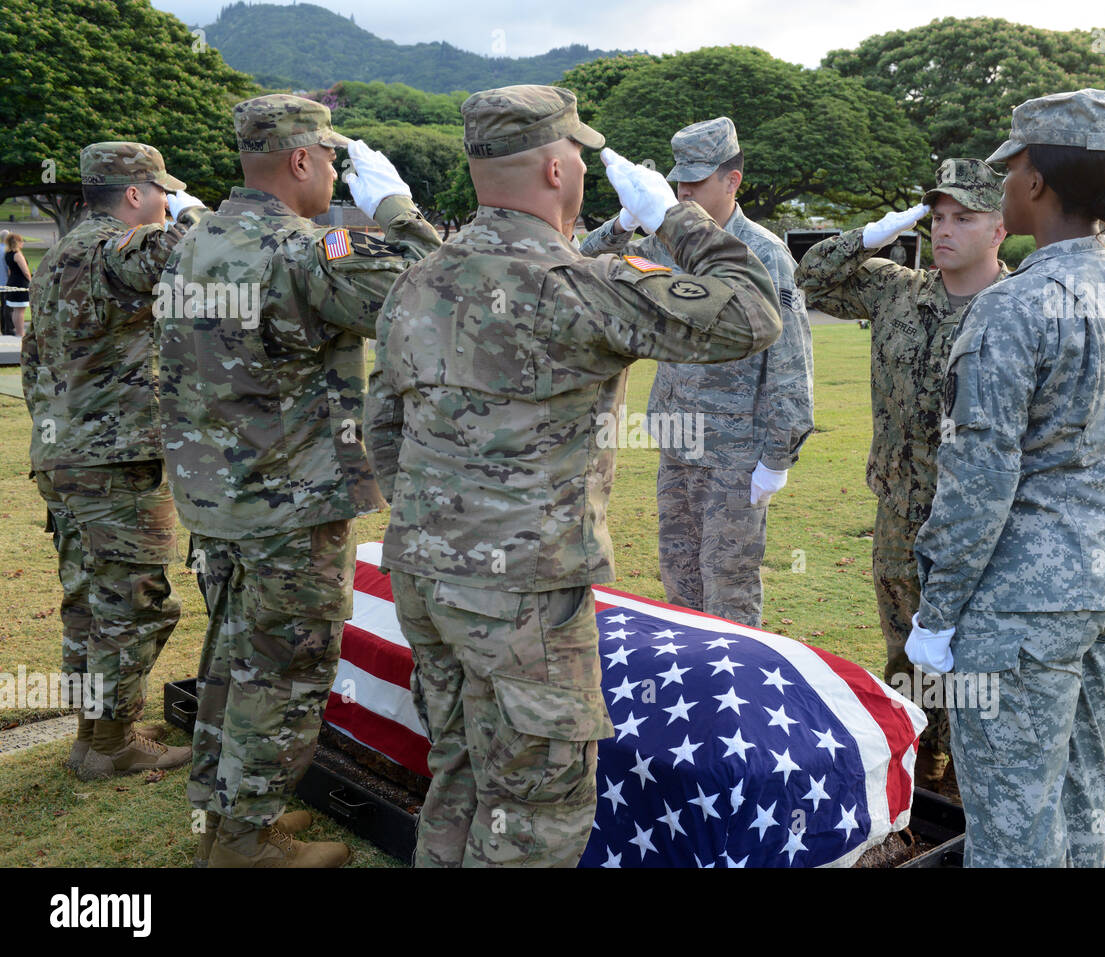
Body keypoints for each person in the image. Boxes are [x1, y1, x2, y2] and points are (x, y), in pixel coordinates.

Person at [365, 84, 782, 867]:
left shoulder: (418, 280)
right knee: (537, 810)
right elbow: (752, 312)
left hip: (424, 572)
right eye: (579, 157)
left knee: (457, 772)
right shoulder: (580, 286)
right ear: (557, 171)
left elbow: (384, 429)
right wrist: (674, 218)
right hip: (525, 594)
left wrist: (443, 528)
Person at [157, 94, 441, 868]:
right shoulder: (302, 250)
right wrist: (398, 210)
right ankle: (245, 843)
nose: (333, 177)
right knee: (282, 673)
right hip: (290, 501)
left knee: (235, 658)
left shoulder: (194, 239)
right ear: (302, 160)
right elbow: (441, 295)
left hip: (219, 497)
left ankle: (224, 821)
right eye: (330, 161)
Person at [907, 89, 1105, 867]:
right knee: (1083, 792)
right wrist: (1099, 538)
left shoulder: (1011, 307)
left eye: (1015, 163)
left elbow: (977, 482)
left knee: (1013, 822)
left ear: (1040, 182)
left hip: (1021, 604)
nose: (1008, 178)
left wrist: (937, 609)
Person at [794, 159, 1008, 794]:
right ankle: (919, 778)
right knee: (907, 656)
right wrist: (870, 236)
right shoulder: (894, 289)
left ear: (1001, 229)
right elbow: (808, 278)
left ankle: (974, 785)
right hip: (898, 509)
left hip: (980, 517)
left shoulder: (1018, 307)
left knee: (975, 658)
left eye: (963, 218)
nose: (944, 230)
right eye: (937, 217)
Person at [581, 117, 814, 628]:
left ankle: (735, 704)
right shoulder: (664, 244)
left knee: (728, 595)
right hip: (676, 443)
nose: (683, 190)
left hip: (735, 455)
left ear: (731, 181)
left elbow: (791, 362)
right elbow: (580, 265)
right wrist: (622, 223)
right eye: (678, 180)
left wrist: (778, 456)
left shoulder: (764, 253)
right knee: (679, 589)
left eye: (696, 181)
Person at [21, 142, 205, 780]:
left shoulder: (56, 258)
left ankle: (94, 732)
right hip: (113, 465)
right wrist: (194, 216)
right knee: (137, 605)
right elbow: (186, 255)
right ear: (135, 193)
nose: (164, 203)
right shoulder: (110, 248)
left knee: (89, 602)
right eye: (161, 192)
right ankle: (111, 744)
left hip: (65, 459)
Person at [4, 232, 31, 338]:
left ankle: (18, 332)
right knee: (20, 310)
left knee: (15, 309)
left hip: (11, 282)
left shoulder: (8, 254)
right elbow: (26, 271)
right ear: (17, 242)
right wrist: (31, 281)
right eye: (21, 241)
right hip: (20, 283)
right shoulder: (17, 254)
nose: (23, 243)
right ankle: (21, 333)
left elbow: (10, 271)